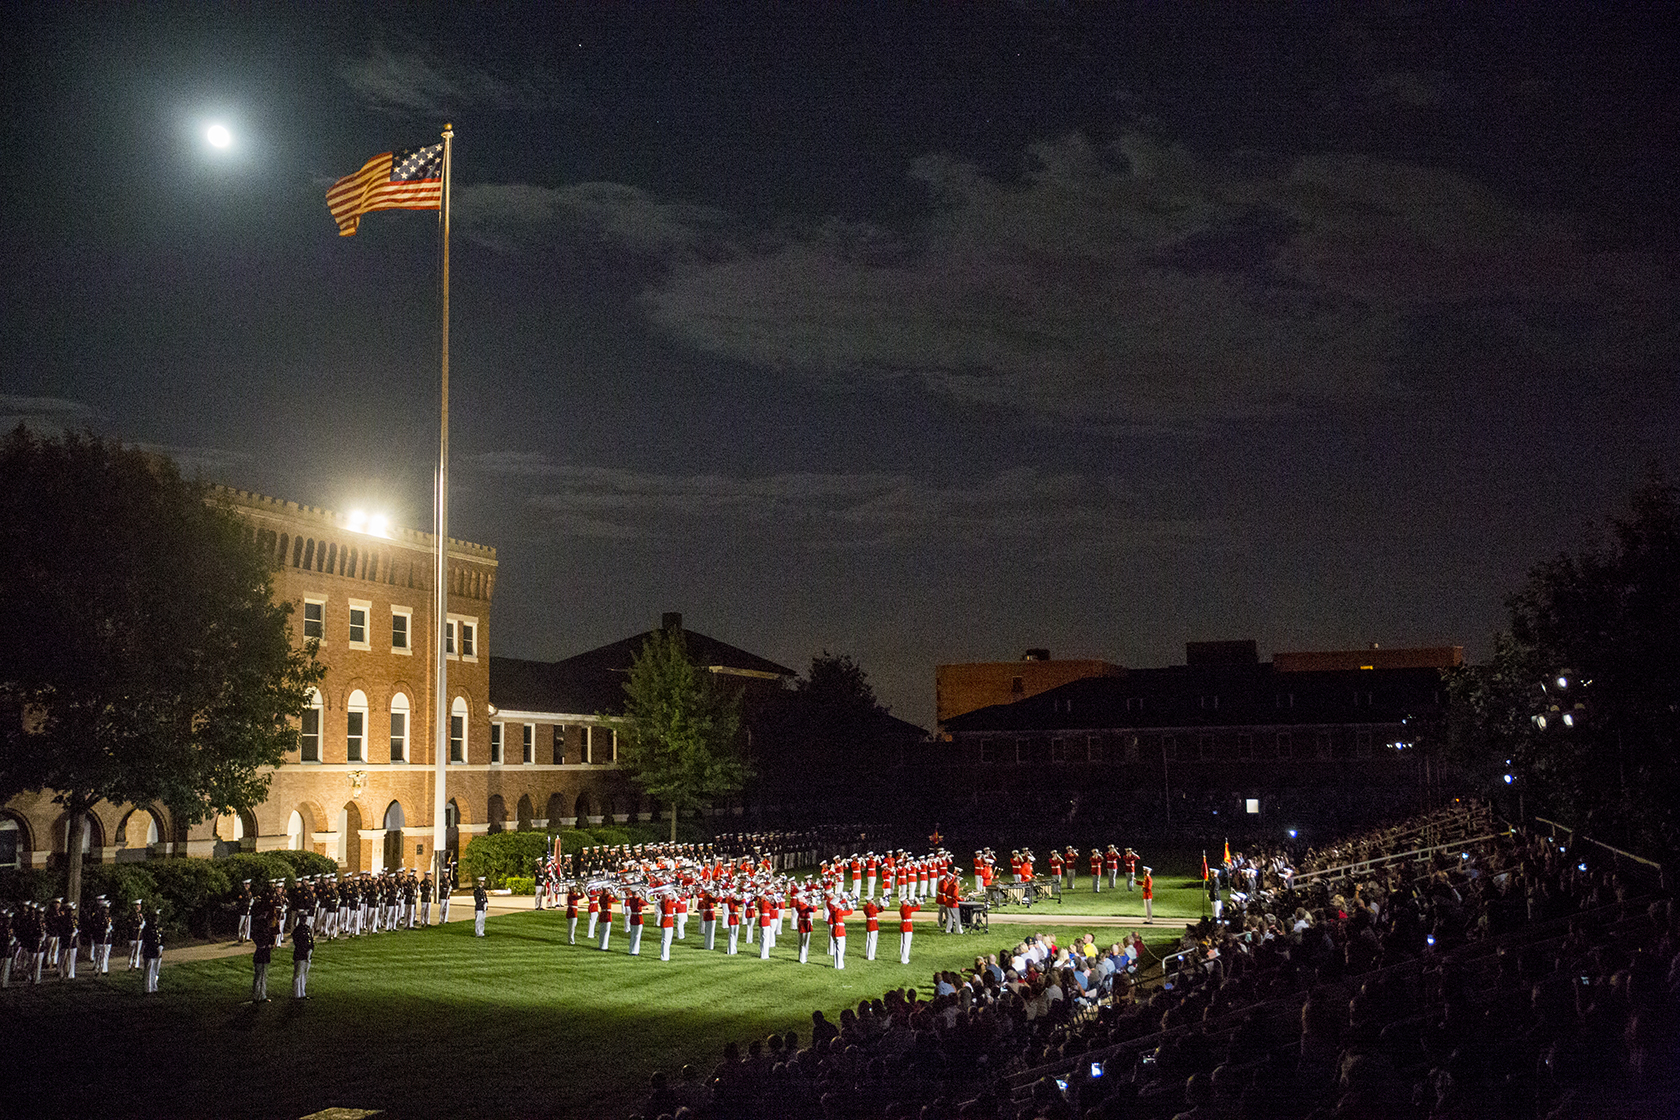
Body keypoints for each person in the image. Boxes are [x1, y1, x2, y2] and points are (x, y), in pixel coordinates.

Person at [251, 908, 274, 1002]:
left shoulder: (261, 927)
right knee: (260, 976)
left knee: (262, 976)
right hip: (262, 954)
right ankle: (258, 996)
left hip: (263, 954)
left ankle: (261, 995)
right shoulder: (260, 928)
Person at [291, 915, 313, 999]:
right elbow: (298, 943)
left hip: (306, 954)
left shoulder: (307, 928)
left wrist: (310, 949)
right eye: (303, 918)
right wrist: (305, 950)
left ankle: (302, 993)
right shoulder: (298, 930)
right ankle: (297, 993)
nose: (305, 919)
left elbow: (310, 941)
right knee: (298, 975)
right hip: (300, 954)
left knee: (304, 975)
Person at [141, 907, 163, 994]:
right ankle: (148, 988)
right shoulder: (147, 928)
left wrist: (161, 947)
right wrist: (156, 947)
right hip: (150, 951)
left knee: (155, 971)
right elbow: (148, 940)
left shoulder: (157, 927)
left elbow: (161, 938)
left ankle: (154, 986)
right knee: (149, 971)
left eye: (157, 917)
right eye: (155, 917)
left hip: (156, 952)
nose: (156, 919)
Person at [898, 897, 919, 965]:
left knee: (903, 943)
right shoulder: (907, 908)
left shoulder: (902, 908)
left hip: (903, 925)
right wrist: (918, 902)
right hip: (907, 926)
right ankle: (905, 960)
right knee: (907, 943)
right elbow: (918, 908)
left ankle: (903, 958)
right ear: (904, 901)